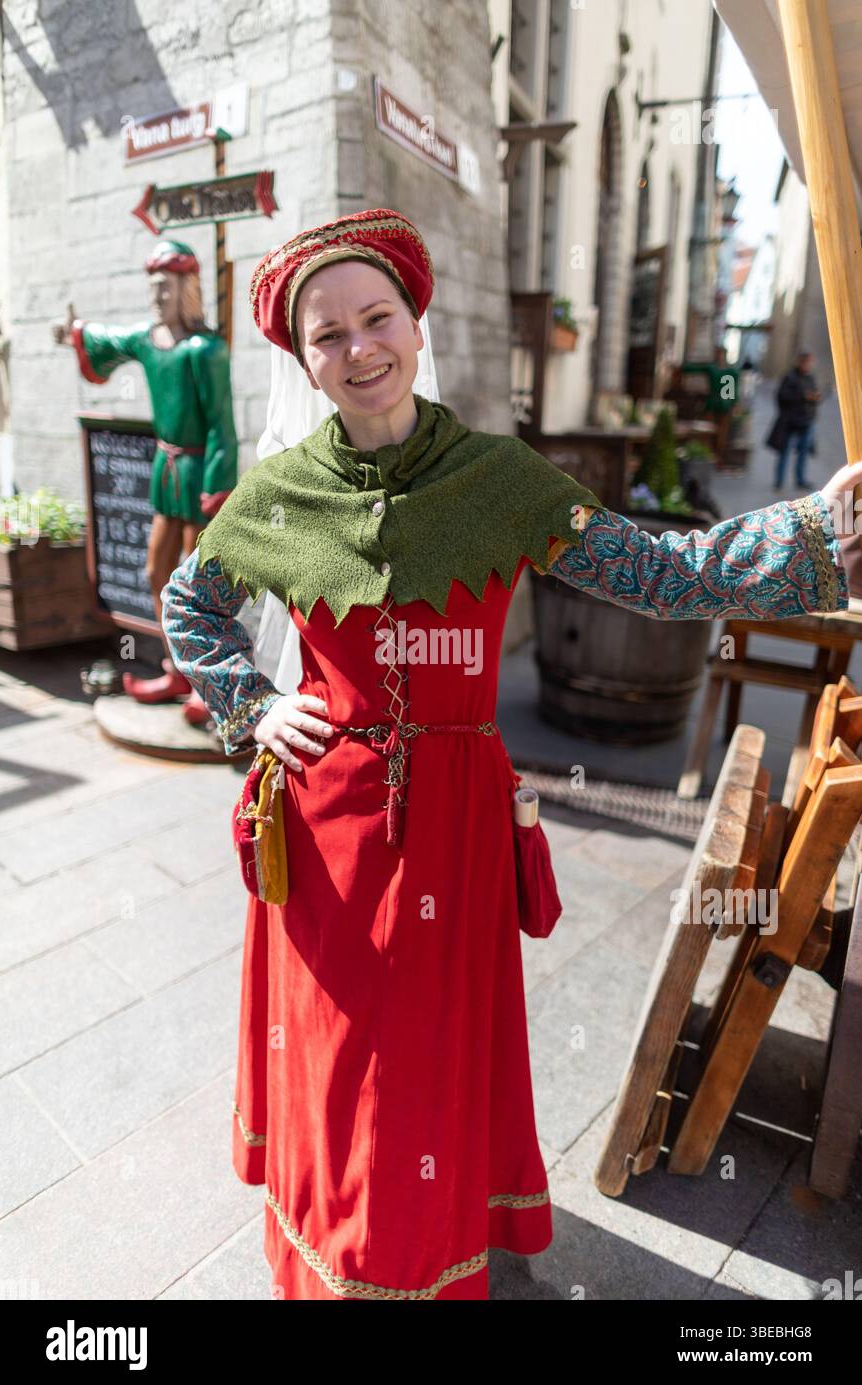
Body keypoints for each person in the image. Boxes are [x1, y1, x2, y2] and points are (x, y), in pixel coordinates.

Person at [160, 207, 862, 1302]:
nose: (358, 350)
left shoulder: (501, 480)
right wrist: (251, 705)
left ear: (415, 324)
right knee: (343, 1054)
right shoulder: (277, 491)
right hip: (324, 821)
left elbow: (659, 572)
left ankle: (423, 1242)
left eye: (375, 318)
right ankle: (337, 1252)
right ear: (302, 358)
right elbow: (189, 599)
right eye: (327, 335)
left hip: (451, 817)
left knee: (429, 1055)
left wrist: (810, 532)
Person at [52, 239, 238, 722]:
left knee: (200, 585)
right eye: (153, 286)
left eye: (167, 286)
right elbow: (106, 340)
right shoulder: (147, 341)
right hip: (167, 469)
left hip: (198, 472)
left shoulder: (205, 350)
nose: (158, 296)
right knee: (158, 574)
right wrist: (72, 332)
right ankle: (177, 667)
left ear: (186, 288)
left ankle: (209, 680)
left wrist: (219, 487)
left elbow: (222, 424)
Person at [768, 348, 822, 490]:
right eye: (805, 362)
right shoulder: (790, 377)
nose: (808, 365)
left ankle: (800, 480)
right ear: (800, 362)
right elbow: (782, 397)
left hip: (807, 421)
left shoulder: (810, 378)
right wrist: (803, 396)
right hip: (790, 422)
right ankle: (779, 481)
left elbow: (814, 396)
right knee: (785, 452)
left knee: (803, 453)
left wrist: (814, 398)